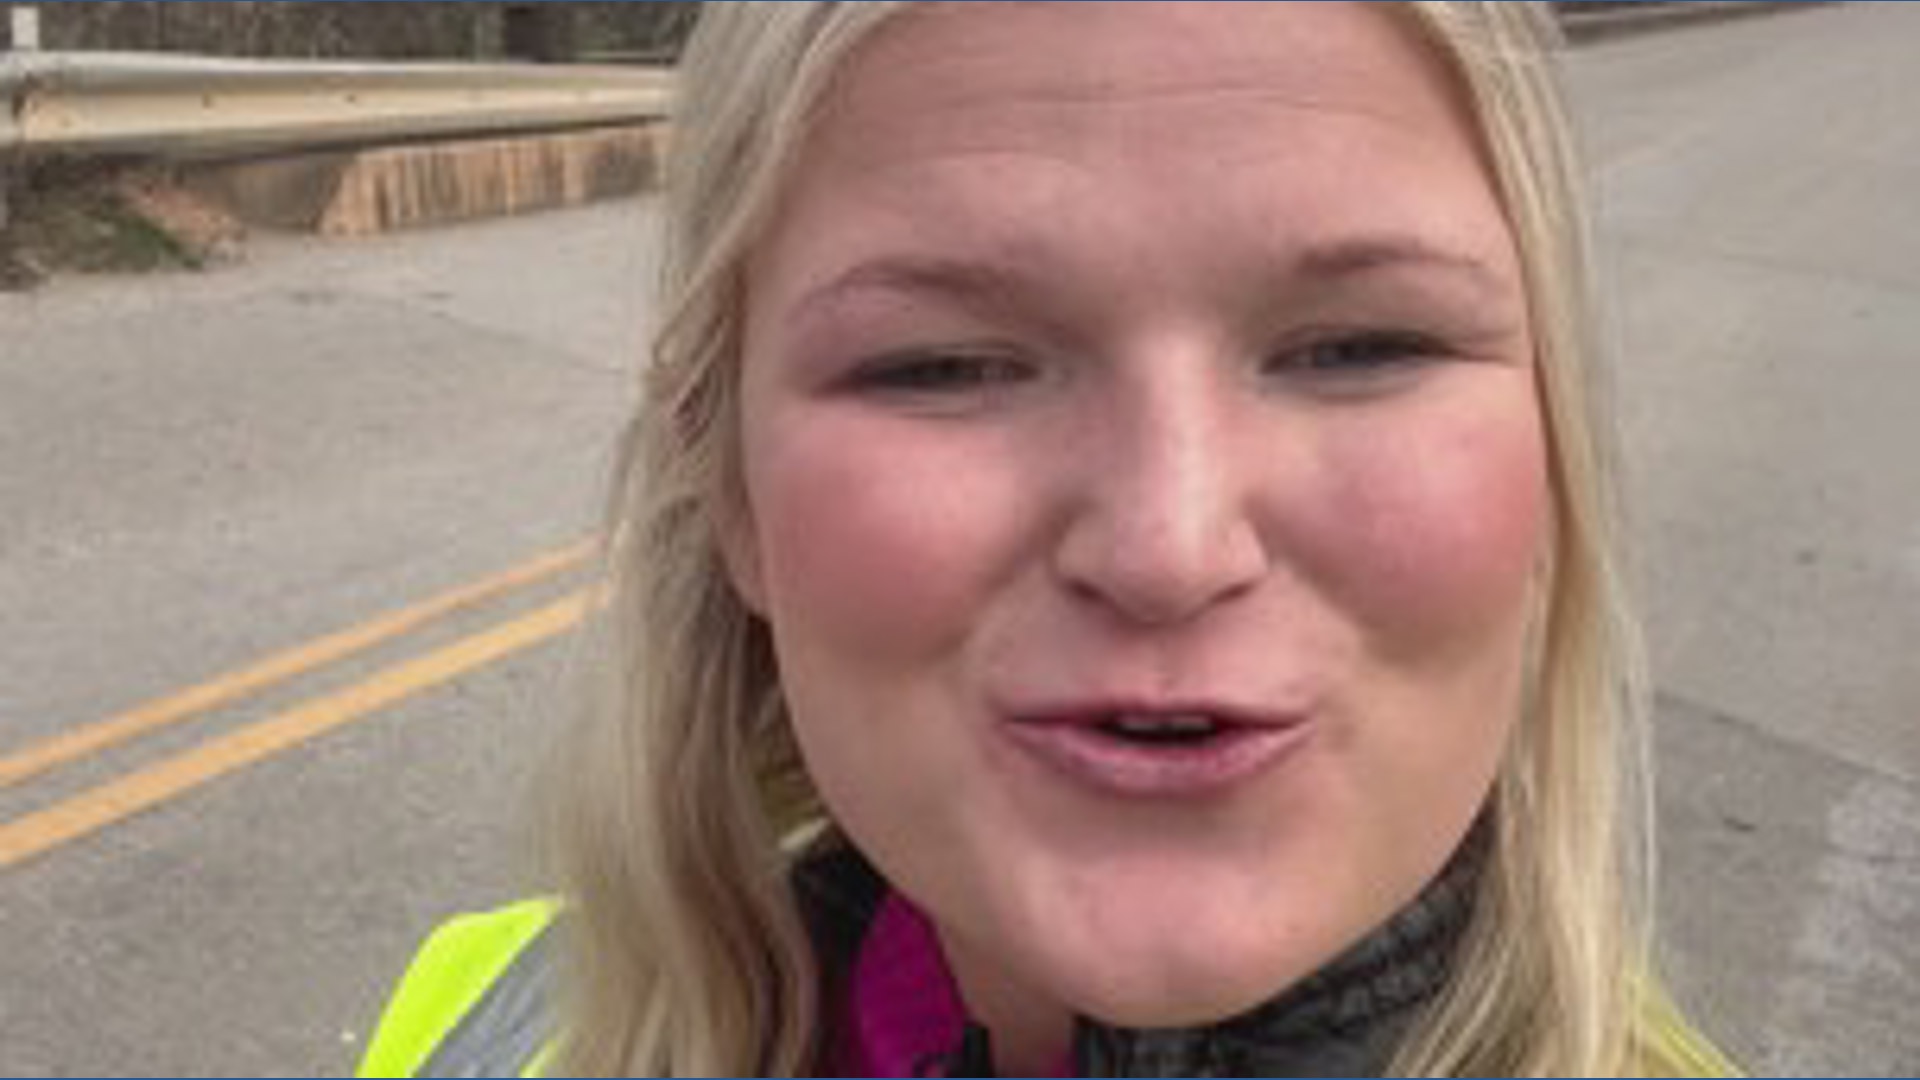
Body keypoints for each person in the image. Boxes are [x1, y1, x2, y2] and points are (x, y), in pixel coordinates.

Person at [357, 3, 1741, 1076]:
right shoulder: (492, 1036)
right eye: (945, 366)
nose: (1170, 545)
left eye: (1361, 348)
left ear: (1553, 449)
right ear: (724, 483)